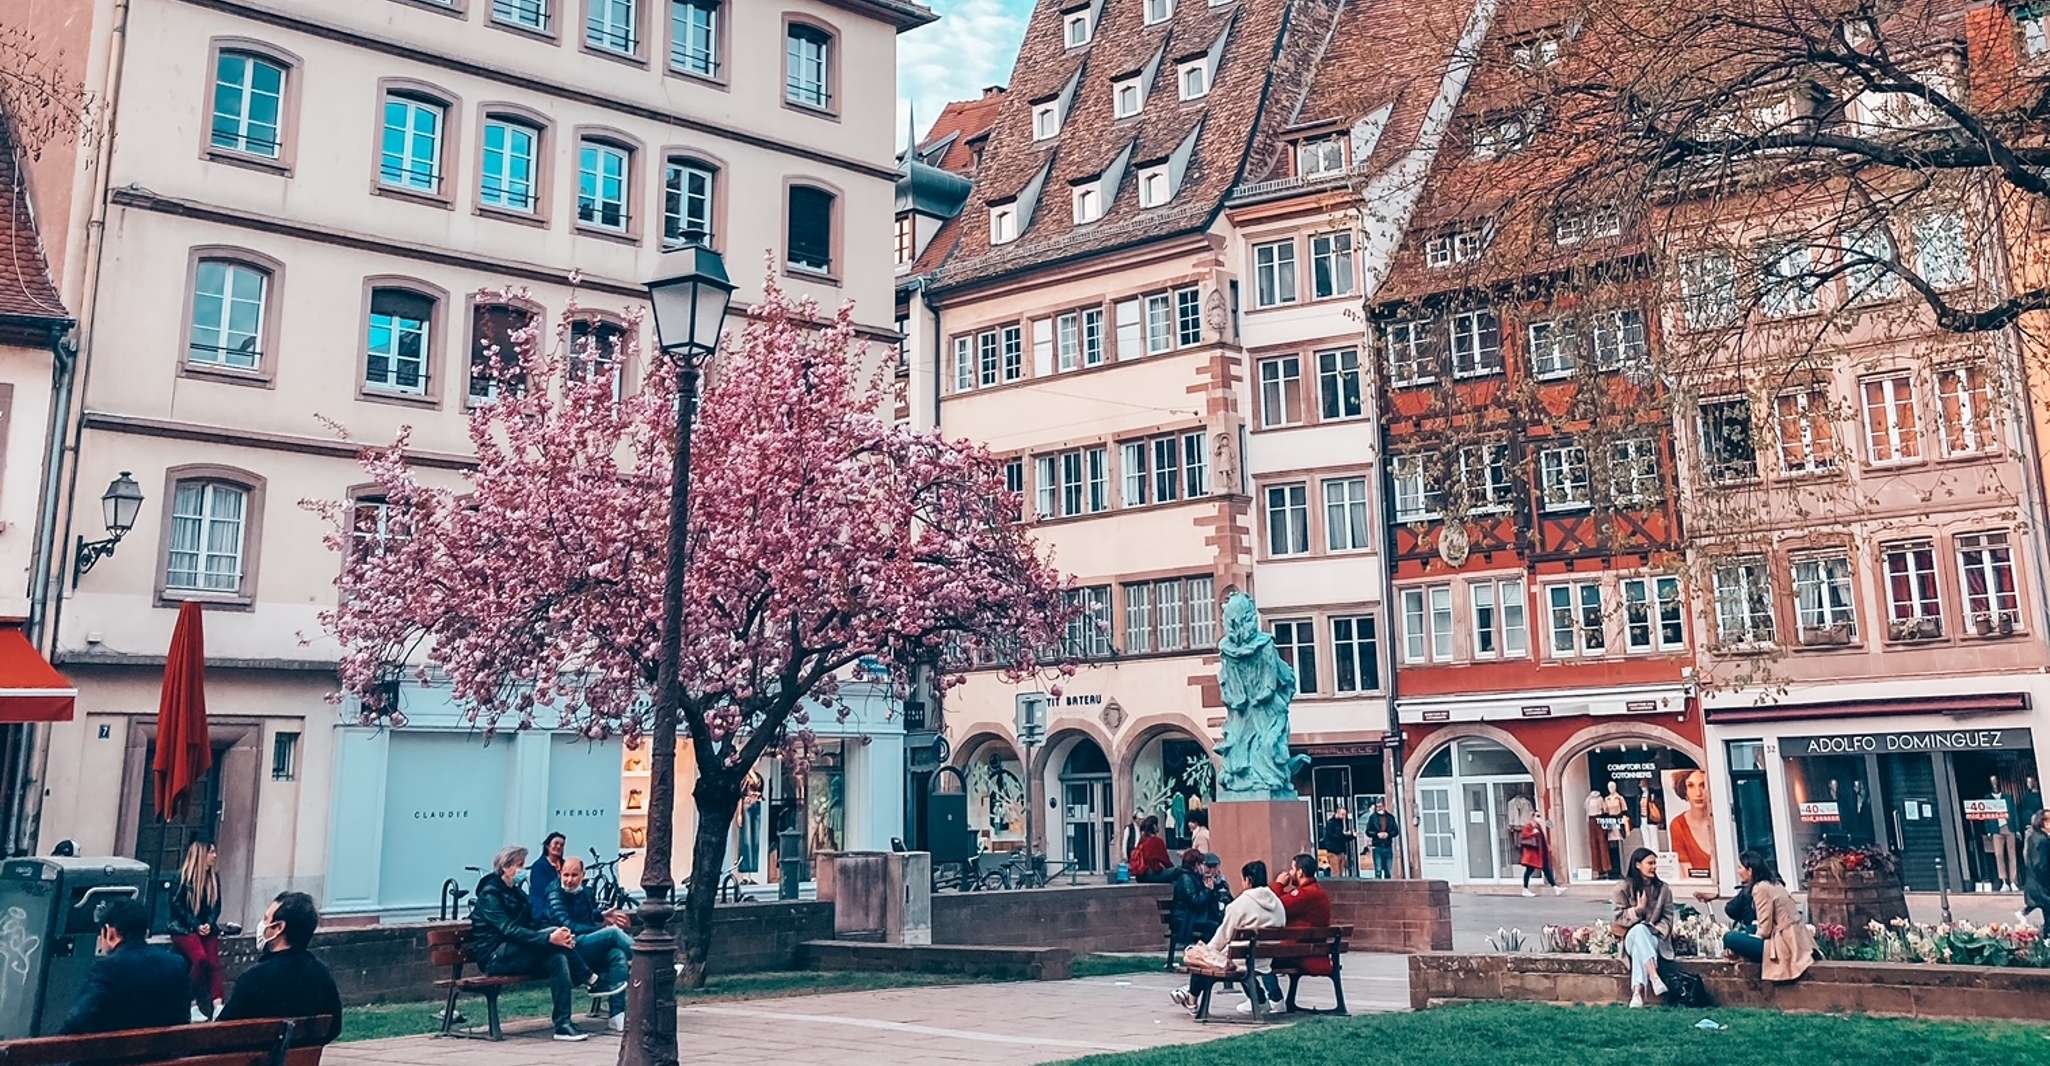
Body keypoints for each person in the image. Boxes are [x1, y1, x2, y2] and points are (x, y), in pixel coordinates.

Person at [472, 844, 590, 1041]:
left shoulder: (517, 893)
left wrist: (554, 935)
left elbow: (532, 924)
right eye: (519, 865)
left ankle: (563, 1024)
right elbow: (508, 930)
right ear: (506, 867)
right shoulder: (489, 895)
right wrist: (548, 937)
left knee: (558, 957)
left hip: (517, 952)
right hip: (495, 955)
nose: (522, 871)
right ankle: (587, 976)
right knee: (554, 935)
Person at [218, 891, 343, 1040]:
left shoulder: (254, 978)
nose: (262, 925)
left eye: (266, 919)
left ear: (278, 928)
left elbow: (220, 1032)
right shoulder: (321, 974)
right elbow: (334, 1028)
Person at [1168, 861, 1287, 1016]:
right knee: (1207, 954)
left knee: (1201, 956)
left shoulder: (1241, 904)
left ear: (1248, 880)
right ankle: (1260, 1002)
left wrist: (1205, 950)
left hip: (1239, 960)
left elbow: (1222, 936)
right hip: (1266, 959)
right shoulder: (1277, 903)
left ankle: (1191, 998)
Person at [59, 899, 190, 1034]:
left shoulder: (107, 969)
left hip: (114, 1054)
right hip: (164, 1053)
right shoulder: (176, 964)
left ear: (110, 932)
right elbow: (183, 1018)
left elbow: (77, 1021)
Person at [547, 858, 634, 1030]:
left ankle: (617, 1015)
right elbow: (568, 925)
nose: (569, 880)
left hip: (587, 945)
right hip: (570, 947)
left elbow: (587, 915)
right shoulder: (554, 894)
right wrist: (600, 930)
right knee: (613, 933)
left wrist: (601, 916)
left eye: (574, 875)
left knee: (618, 955)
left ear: (582, 875)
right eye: (566, 875)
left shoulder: (586, 892)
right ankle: (652, 960)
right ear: (560, 874)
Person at [1720, 851, 1814, 982]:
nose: (1738, 871)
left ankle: (1736, 954)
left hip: (1783, 943)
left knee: (1729, 937)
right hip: (1794, 937)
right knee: (1748, 929)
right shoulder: (1774, 883)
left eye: (1740, 867)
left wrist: (1744, 942)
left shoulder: (1760, 888)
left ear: (1750, 870)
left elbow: (1764, 930)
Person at [167, 839, 225, 1021]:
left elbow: (216, 906)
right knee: (199, 958)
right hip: (184, 928)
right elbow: (176, 905)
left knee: (214, 962)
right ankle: (190, 1002)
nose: (214, 856)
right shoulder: (182, 878)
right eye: (211, 852)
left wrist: (209, 922)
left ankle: (218, 1004)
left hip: (206, 928)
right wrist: (195, 924)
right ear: (201, 855)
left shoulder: (213, 878)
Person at [1611, 846, 1673, 1008]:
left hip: (1654, 937)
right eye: (1650, 863)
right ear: (1638, 865)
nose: (1654, 867)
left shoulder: (1663, 889)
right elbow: (1618, 918)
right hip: (1630, 937)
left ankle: (1637, 993)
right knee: (1638, 931)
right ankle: (1654, 976)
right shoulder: (1622, 888)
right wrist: (1637, 910)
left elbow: (1668, 918)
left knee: (1641, 942)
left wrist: (1654, 928)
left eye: (1655, 864)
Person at [1273, 853, 1333, 976]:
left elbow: (1276, 906)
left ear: (1300, 872)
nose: (1290, 872)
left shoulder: (1305, 893)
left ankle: (1271, 994)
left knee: (1259, 960)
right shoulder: (1316, 891)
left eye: (1292, 869)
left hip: (1300, 953)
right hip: (1312, 950)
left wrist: (1278, 884)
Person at [1167, 849, 1221, 951]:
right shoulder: (1186, 878)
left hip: (1191, 917)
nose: (1203, 867)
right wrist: (1207, 890)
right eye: (1201, 863)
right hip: (1184, 920)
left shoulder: (1194, 877)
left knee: (1217, 921)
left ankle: (1209, 951)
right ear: (1196, 864)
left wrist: (1212, 888)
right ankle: (1207, 952)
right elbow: (1195, 901)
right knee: (1213, 926)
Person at [1669, 770, 1717, 878]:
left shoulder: (1720, 820)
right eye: (1691, 786)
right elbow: (1688, 875)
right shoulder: (1678, 825)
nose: (1698, 793)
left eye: (1703, 785)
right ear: (1684, 790)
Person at [1518, 815, 1563, 896]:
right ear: (1532, 817)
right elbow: (1523, 835)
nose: (1539, 818)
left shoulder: (1537, 826)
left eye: (1539, 816)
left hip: (1539, 853)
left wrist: (1547, 847)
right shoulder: (1529, 826)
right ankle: (1525, 889)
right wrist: (1532, 832)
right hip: (1532, 854)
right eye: (1537, 816)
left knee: (1546, 870)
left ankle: (1555, 888)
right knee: (1529, 871)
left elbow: (1542, 839)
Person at [528, 831, 567, 924]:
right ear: (547, 845)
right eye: (556, 843)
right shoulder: (539, 866)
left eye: (562, 845)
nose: (559, 847)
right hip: (545, 910)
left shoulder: (565, 864)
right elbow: (541, 890)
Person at [2020, 809, 2050, 928]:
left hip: (2037, 885)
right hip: (2042, 886)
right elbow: (2040, 865)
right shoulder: (2042, 840)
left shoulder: (2035, 836)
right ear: (2045, 823)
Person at [1129, 815, 1174, 882]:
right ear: (1154, 826)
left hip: (1139, 876)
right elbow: (1166, 862)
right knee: (1179, 871)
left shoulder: (1142, 840)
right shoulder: (1157, 841)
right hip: (1151, 874)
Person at [1363, 801, 1399, 879]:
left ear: (1384, 806)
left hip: (1387, 846)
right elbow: (1368, 831)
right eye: (1377, 807)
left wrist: (1388, 834)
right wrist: (1376, 834)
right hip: (1377, 846)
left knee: (1388, 871)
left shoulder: (1390, 817)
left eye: (1380, 806)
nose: (1378, 808)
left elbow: (1396, 831)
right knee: (1378, 870)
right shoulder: (1373, 817)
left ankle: (1388, 888)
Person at [1318, 808, 1355, 878]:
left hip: (1340, 851)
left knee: (1340, 873)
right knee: (1336, 873)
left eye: (1345, 815)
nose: (1344, 817)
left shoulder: (1339, 822)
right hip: (1333, 851)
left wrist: (1349, 836)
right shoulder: (1331, 823)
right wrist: (1346, 835)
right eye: (1342, 814)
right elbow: (1335, 836)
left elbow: (1340, 836)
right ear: (1337, 813)